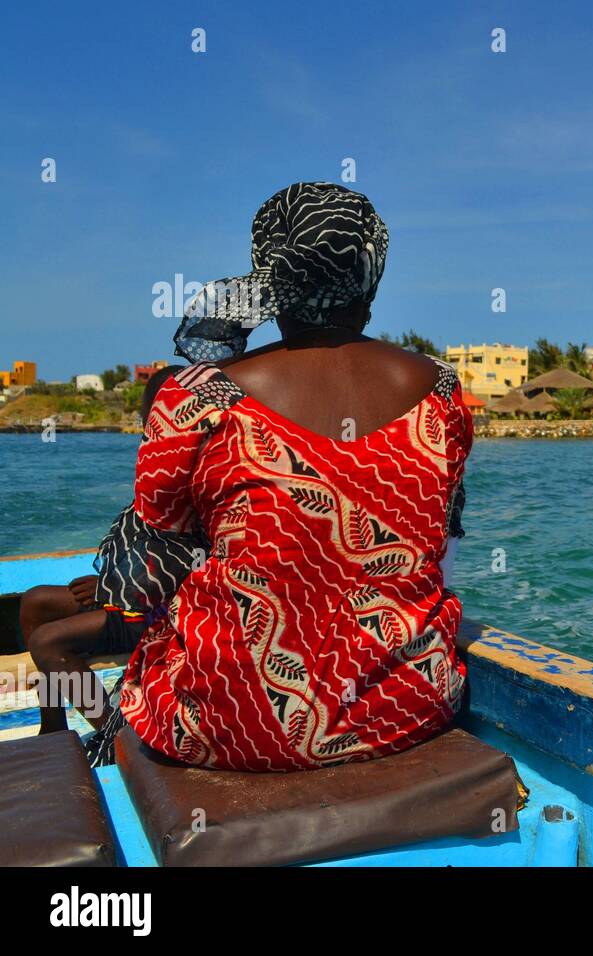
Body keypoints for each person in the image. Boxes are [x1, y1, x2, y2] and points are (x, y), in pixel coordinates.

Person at [87, 182, 471, 771]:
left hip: (225, 723)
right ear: (371, 275)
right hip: (402, 710)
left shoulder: (198, 396)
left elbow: (156, 551)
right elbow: (437, 531)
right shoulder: (442, 390)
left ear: (270, 281)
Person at [19, 366, 196, 734]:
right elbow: (147, 548)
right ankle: (53, 726)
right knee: (35, 602)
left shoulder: (200, 468)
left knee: (47, 640)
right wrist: (111, 584)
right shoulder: (160, 462)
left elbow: (185, 562)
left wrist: (112, 591)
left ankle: (114, 735)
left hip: (165, 612)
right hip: (130, 593)